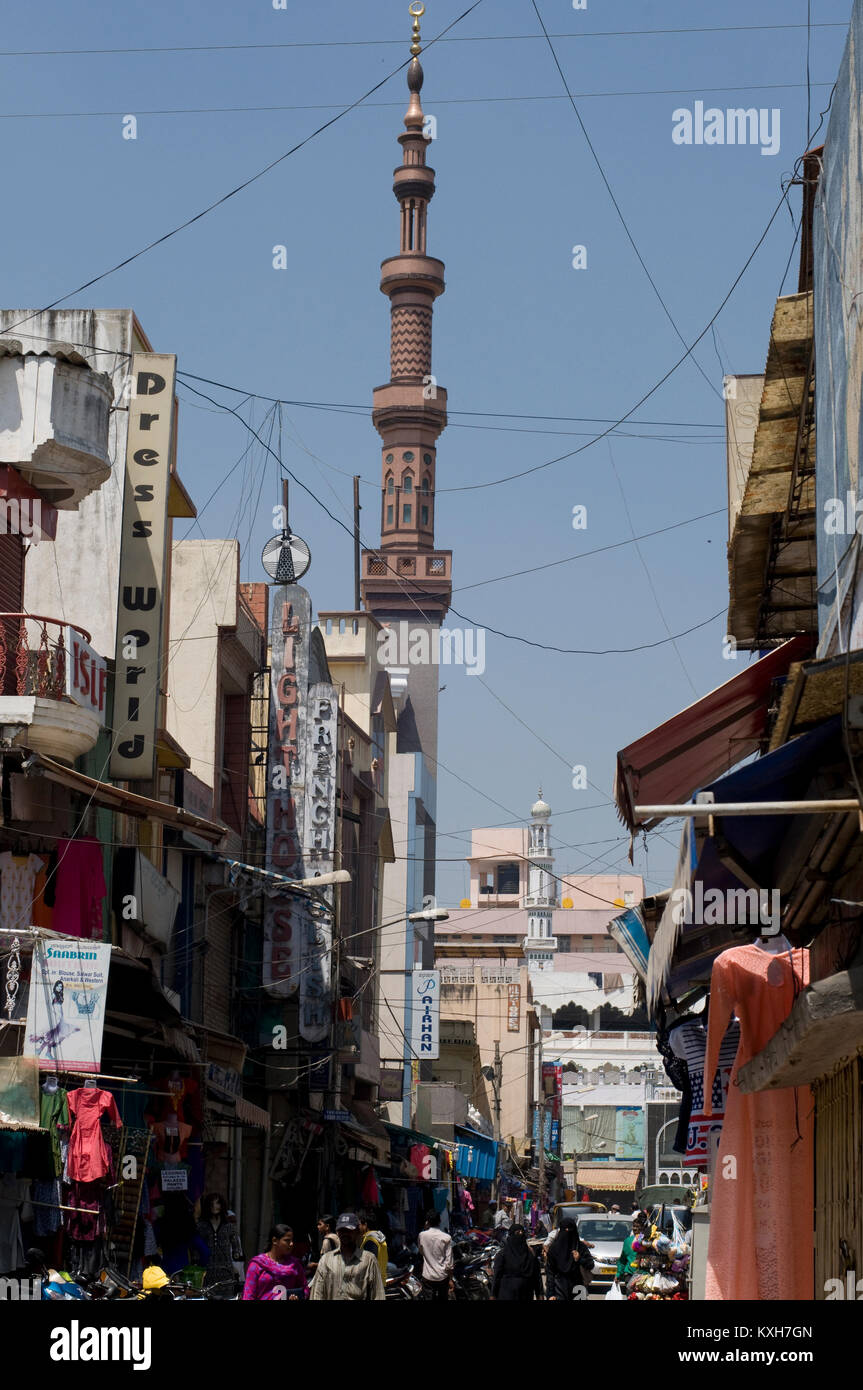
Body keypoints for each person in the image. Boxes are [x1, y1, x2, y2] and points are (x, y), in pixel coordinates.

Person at [309, 1212, 385, 1301]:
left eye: (349, 1230)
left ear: (357, 1231)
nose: (345, 1234)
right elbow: (317, 1293)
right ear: (337, 1232)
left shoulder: (368, 1259)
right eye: (342, 1230)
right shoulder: (326, 1260)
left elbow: (378, 1295)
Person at [242, 1224, 309, 1300]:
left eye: (292, 1240)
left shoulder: (295, 1264)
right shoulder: (257, 1264)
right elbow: (248, 1295)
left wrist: (297, 1297)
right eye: (287, 1240)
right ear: (274, 1241)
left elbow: (305, 1289)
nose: (291, 1244)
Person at [195, 1192, 244, 1296]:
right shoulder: (201, 1226)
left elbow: (237, 1249)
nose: (214, 1206)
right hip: (207, 1272)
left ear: (222, 1205)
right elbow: (195, 1249)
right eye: (211, 1204)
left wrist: (236, 1267)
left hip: (226, 1271)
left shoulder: (229, 1226)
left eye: (217, 1203)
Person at [545, 1218, 594, 1301]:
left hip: (578, 1286)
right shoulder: (554, 1249)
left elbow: (590, 1265)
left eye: (570, 1230)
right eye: (565, 1230)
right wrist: (551, 1293)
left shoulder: (580, 1247)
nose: (567, 1233)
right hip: (559, 1288)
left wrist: (579, 1259)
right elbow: (550, 1272)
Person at [491, 1225, 544, 1302]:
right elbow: (497, 1277)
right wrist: (493, 1295)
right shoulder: (502, 1255)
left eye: (522, 1232)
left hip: (526, 1294)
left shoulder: (530, 1256)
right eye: (517, 1232)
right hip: (507, 1293)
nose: (520, 1234)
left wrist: (540, 1294)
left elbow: (537, 1277)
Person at [417, 1211, 454, 1301]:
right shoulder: (446, 1237)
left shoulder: (422, 1235)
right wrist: (450, 1279)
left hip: (427, 1276)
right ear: (440, 1221)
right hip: (442, 1276)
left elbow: (421, 1252)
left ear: (427, 1221)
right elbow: (449, 1263)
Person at [616, 1210, 646, 1288]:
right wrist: (618, 1274)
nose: (635, 1228)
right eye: (634, 1226)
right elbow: (622, 1260)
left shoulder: (648, 1241)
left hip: (644, 1276)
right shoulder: (627, 1241)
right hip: (629, 1275)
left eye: (638, 1227)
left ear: (643, 1228)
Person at [358, 1209, 388, 1283]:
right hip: (380, 1279)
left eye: (359, 1224)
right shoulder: (378, 1238)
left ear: (365, 1225)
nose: (358, 1227)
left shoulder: (370, 1240)